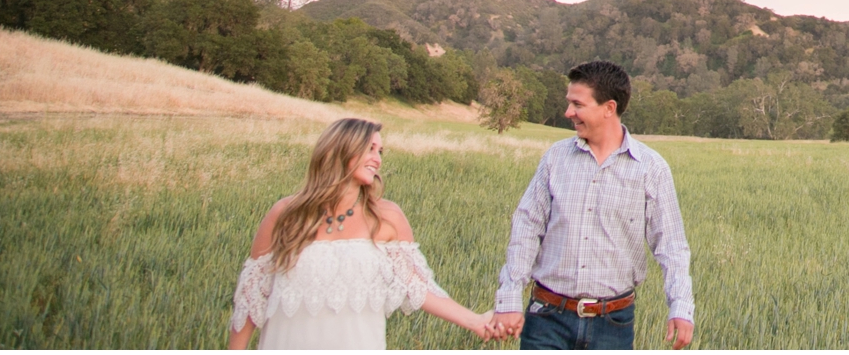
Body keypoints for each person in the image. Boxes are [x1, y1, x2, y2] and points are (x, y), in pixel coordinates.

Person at [229, 117, 493, 349]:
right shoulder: (285, 214)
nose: (377, 159)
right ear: (340, 151)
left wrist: (474, 320)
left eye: (380, 151)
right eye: (369, 149)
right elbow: (251, 296)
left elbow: (418, 287)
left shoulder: (387, 218)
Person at [485, 61, 694, 350]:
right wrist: (509, 298)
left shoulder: (651, 168)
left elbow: (671, 245)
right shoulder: (555, 158)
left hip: (613, 324)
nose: (568, 112)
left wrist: (681, 308)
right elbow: (526, 226)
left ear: (609, 108)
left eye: (577, 104)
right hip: (547, 318)